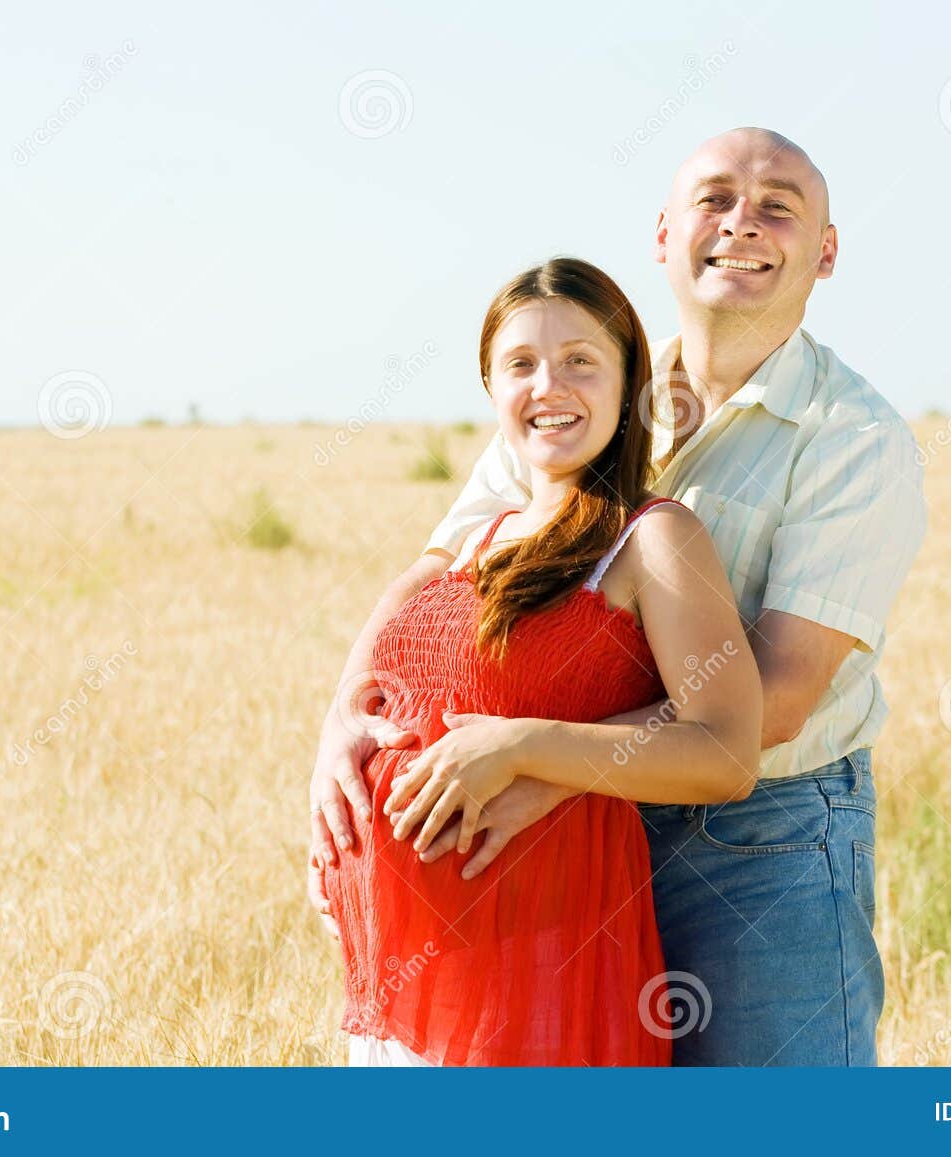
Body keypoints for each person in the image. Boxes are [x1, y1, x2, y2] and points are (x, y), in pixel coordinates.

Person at [311, 126, 928, 1065]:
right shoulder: (586, 380)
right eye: (714, 199)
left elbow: (772, 700)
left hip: (764, 836)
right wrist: (341, 730)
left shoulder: (854, 438)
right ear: (665, 234)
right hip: (586, 835)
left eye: (777, 208)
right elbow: (435, 574)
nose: (741, 224)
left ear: (826, 251)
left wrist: (544, 761)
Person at [316, 256, 761, 1066]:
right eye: (521, 363)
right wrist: (338, 775)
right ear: (491, 388)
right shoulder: (478, 538)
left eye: (580, 361)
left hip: (545, 969)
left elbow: (727, 750)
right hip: (417, 988)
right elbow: (382, 690)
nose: (548, 386)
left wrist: (522, 744)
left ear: (630, 384)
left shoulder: (652, 538)